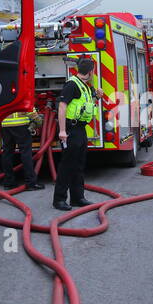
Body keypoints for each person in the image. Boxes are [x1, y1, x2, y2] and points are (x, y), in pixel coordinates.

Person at [53, 57, 99, 211]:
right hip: (71, 130)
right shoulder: (71, 85)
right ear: (91, 72)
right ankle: (59, 200)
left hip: (80, 129)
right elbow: (62, 107)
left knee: (79, 165)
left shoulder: (84, 86)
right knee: (67, 165)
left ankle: (77, 197)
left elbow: (87, 102)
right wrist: (62, 130)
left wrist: (97, 95)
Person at [0, 106, 43, 191]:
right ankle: (30, 183)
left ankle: (8, 183)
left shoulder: (3, 93)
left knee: (7, 153)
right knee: (26, 154)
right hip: (21, 126)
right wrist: (38, 120)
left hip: (5, 125)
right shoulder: (21, 92)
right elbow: (28, 107)